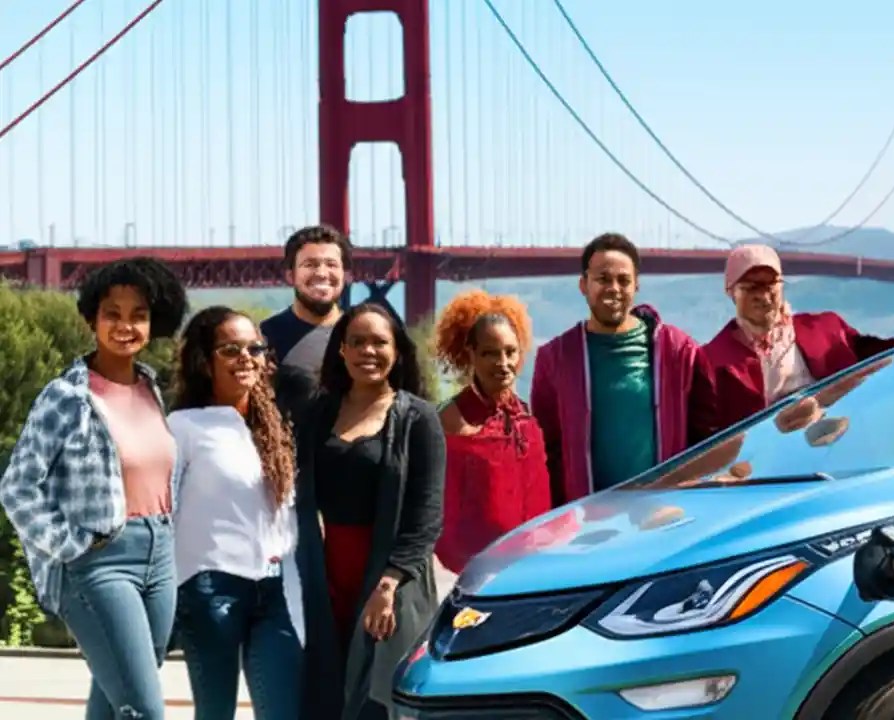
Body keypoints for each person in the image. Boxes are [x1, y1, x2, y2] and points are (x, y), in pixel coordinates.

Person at [0, 257, 188, 719]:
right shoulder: (66, 396)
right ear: (91, 319)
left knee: (114, 697)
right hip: (99, 561)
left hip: (160, 555)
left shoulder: (151, 388)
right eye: (113, 313)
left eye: (138, 314)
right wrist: (71, 546)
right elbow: (17, 486)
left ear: (153, 322)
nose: (125, 325)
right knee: (144, 709)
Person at [295, 301, 445, 720]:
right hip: (326, 573)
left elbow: (427, 515)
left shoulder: (419, 417)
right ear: (341, 350)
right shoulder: (318, 412)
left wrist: (389, 583)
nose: (368, 351)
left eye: (379, 342)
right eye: (357, 342)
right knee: (326, 693)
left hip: (389, 576)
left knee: (379, 701)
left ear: (397, 350)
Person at [168, 306, 304, 719]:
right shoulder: (182, 427)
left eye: (255, 348)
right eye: (230, 349)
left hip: (276, 590)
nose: (246, 357)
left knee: (283, 711)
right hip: (210, 590)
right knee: (215, 714)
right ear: (204, 361)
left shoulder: (274, 425)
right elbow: (163, 515)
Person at [530, 232, 718, 505]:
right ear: (583, 285)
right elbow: (548, 452)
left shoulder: (680, 352)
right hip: (586, 523)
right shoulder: (555, 358)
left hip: (662, 516)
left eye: (624, 280)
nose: (614, 289)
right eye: (603, 279)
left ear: (637, 286)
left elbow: (707, 441)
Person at [701, 243, 894, 428]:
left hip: (840, 449)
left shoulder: (827, 328)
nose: (763, 296)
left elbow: (884, 355)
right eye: (751, 287)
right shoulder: (711, 362)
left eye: (770, 284)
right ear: (731, 291)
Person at [432, 288, 551, 574]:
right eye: (490, 353)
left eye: (510, 352)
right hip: (466, 572)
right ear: (470, 353)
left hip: (530, 566)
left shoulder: (526, 416)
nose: (503, 363)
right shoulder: (450, 418)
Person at [260, 224, 352, 421]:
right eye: (310, 264)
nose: (321, 273)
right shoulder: (264, 338)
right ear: (290, 275)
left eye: (331, 264)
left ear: (346, 275)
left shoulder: (363, 336)